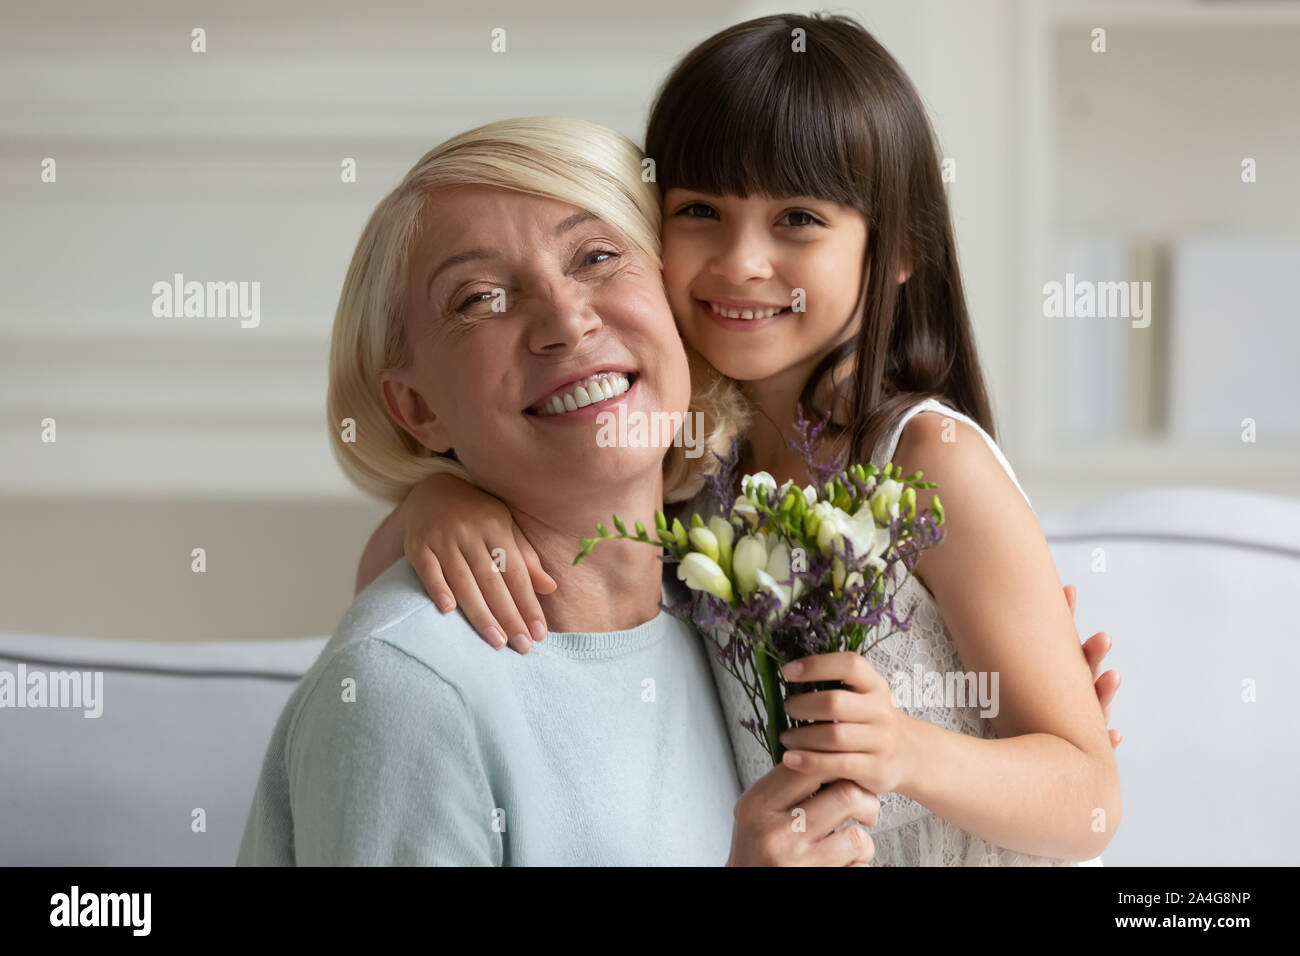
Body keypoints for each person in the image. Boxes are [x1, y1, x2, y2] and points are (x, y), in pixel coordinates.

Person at [355, 14, 1124, 866]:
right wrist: (438, 498)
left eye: (797, 217)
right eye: (699, 212)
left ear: (898, 249)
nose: (740, 261)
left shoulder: (927, 460)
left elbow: (1088, 799)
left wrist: (907, 748)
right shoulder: (682, 462)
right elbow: (381, 594)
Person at [237, 116, 882, 866]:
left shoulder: (730, 615)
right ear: (416, 408)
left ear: (676, 305)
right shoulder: (407, 687)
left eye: (599, 257)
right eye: (478, 299)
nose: (566, 320)